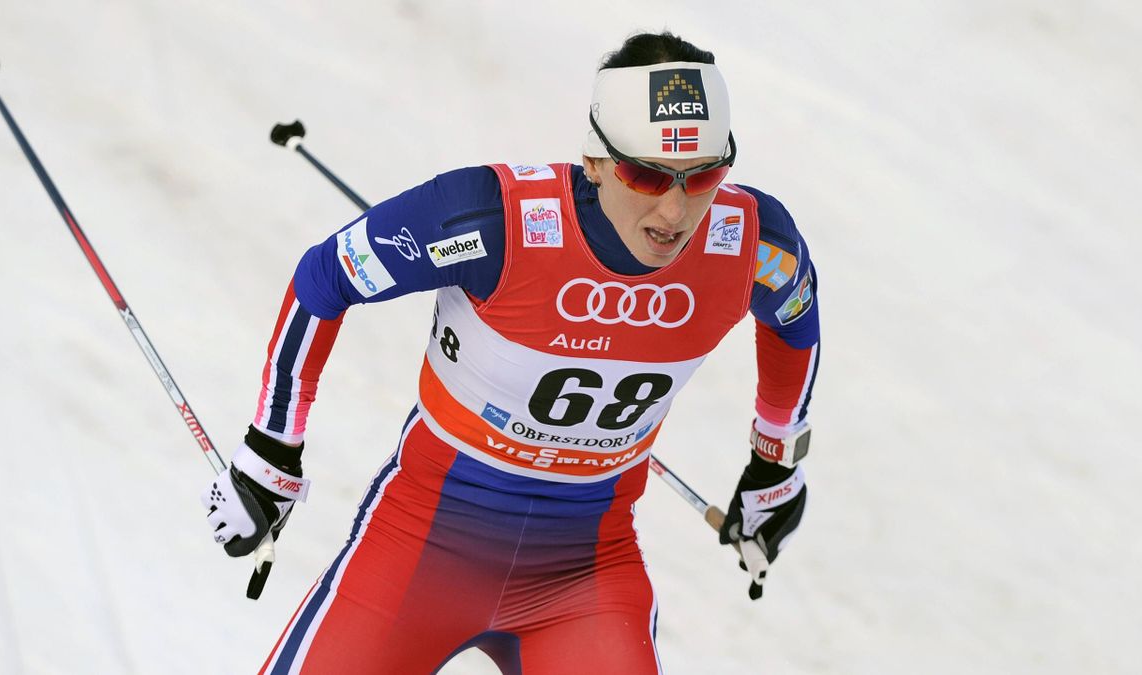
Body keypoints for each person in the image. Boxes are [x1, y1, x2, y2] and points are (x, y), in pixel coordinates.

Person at [202, 30, 820, 674]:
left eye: (705, 176)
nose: (674, 209)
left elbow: (797, 322)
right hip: (422, 540)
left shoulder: (751, 243)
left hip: (586, 572)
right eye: (646, 175)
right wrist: (272, 450)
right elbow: (325, 278)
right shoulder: (494, 223)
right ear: (598, 160)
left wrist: (776, 462)